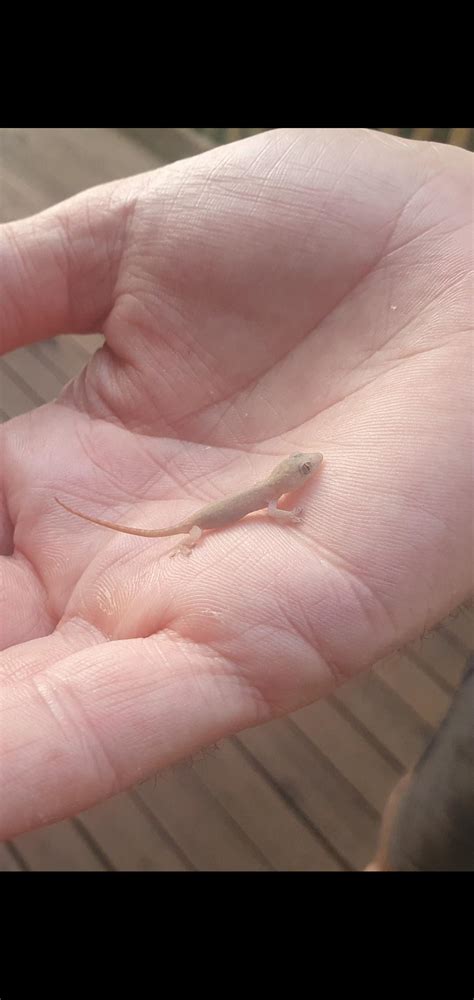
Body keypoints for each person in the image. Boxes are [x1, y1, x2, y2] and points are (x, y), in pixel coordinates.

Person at [0, 128, 472, 845]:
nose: (310, 473)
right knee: (187, 532)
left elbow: (275, 502)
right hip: (203, 520)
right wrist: (221, 532)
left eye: (305, 470)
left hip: (212, 514)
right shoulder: (270, 498)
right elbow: (270, 512)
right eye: (304, 470)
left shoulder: (272, 489)